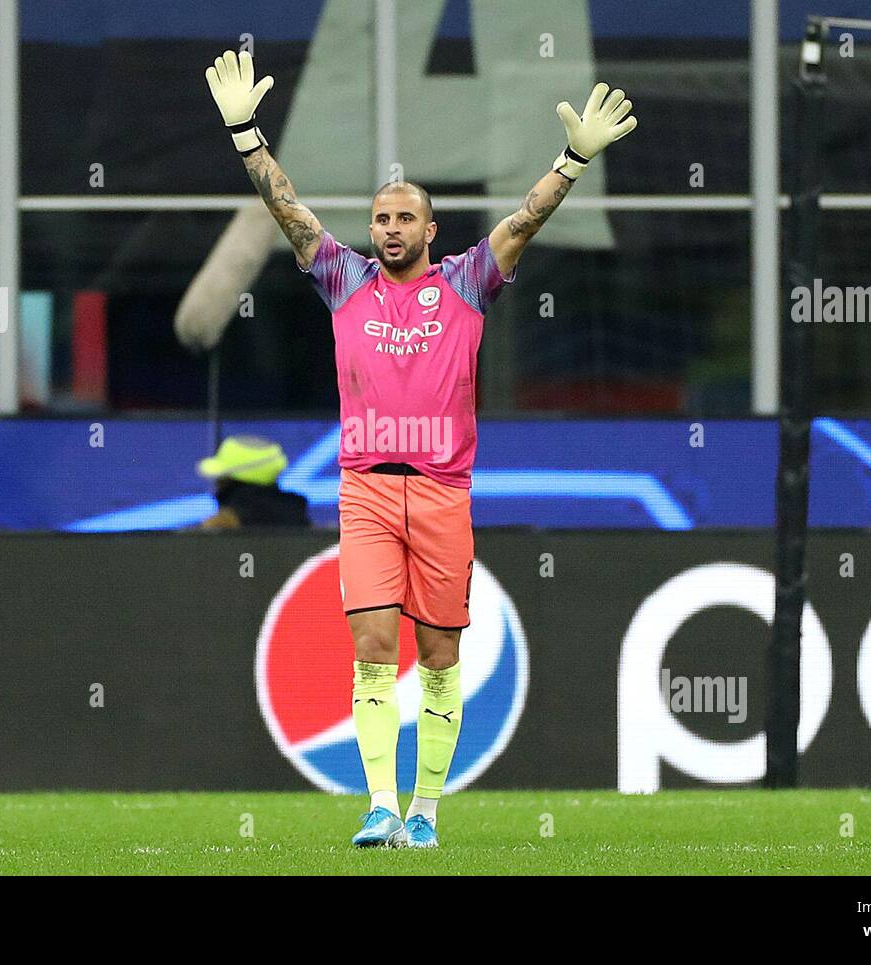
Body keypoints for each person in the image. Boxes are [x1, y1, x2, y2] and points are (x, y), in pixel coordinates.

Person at [205, 50, 637, 847]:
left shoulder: (469, 281)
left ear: (430, 230)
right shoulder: (343, 278)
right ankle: (377, 804)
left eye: (406, 218)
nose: (392, 228)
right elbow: (288, 208)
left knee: (438, 656)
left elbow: (525, 220)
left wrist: (573, 160)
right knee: (372, 644)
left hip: (442, 494)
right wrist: (244, 132)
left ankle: (426, 813)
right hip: (366, 490)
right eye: (381, 217)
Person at [196, 435, 310, 528]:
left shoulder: (221, 525)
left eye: (221, 475)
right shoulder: (299, 518)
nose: (216, 482)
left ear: (229, 479)